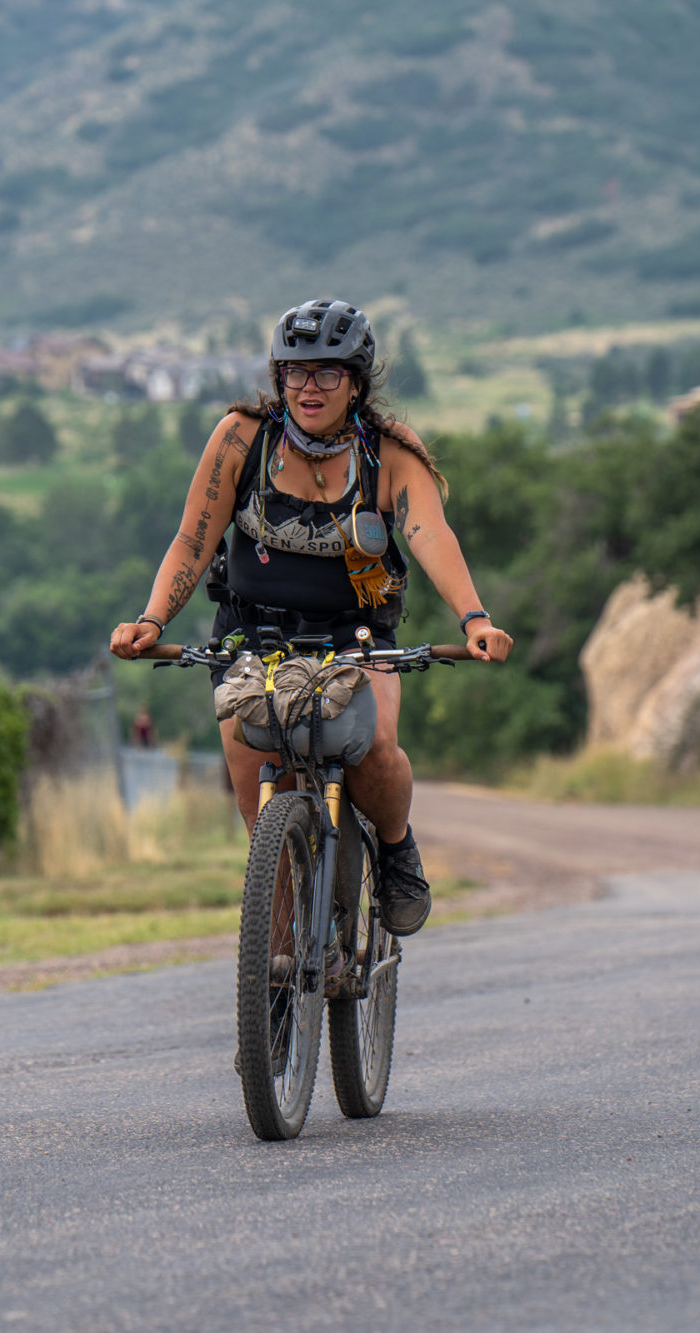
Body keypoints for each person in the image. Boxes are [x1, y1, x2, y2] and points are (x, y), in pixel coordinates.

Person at [110, 299, 512, 936]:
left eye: (327, 373)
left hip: (356, 639)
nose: (309, 387)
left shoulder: (389, 457)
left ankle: (397, 849)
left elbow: (431, 535)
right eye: (294, 372)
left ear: (356, 379)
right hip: (251, 636)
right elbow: (193, 540)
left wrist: (475, 620)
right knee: (256, 796)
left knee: (374, 749)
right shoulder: (242, 439)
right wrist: (152, 620)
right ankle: (275, 975)